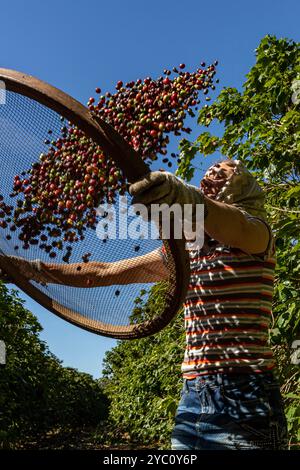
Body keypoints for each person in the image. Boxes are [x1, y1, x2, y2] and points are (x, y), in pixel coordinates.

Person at [0, 159, 288, 450]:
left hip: (245, 393)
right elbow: (103, 272)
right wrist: (28, 269)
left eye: (226, 168)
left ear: (244, 186)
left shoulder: (257, 234)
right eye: (211, 168)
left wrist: (185, 198)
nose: (214, 169)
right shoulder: (185, 254)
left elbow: (233, 224)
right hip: (193, 393)